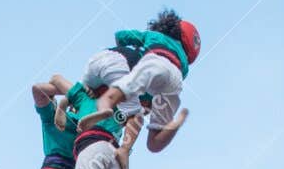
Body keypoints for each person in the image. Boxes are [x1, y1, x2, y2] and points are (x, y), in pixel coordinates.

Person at [85, 13, 199, 154]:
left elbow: (121, 36)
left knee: (115, 95)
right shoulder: (185, 66)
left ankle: (104, 108)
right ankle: (171, 126)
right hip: (175, 78)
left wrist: (128, 48)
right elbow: (159, 87)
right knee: (153, 144)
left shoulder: (154, 36)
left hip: (155, 62)